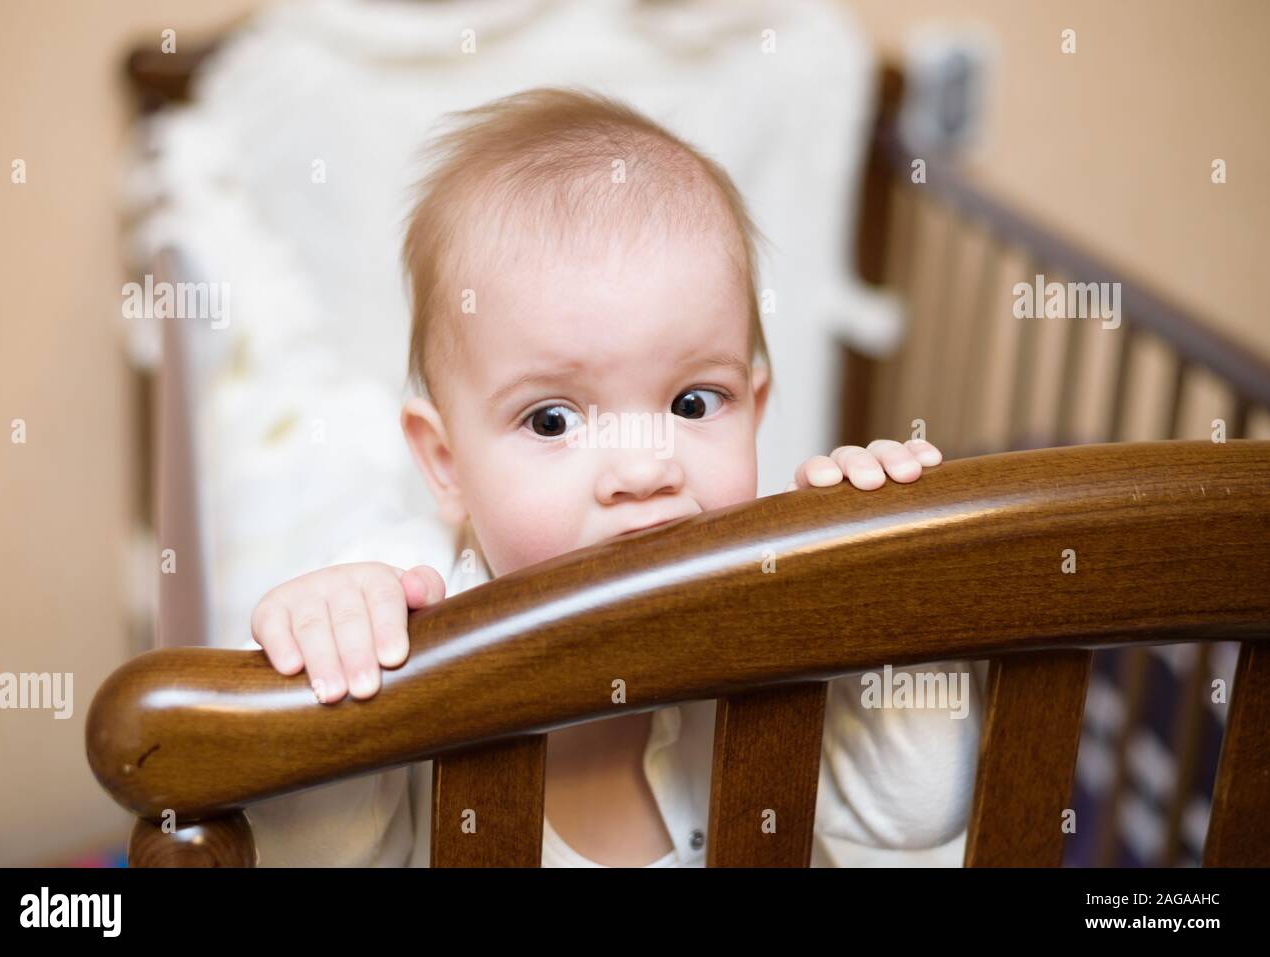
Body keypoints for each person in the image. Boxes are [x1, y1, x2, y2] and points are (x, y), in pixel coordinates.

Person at [243, 87, 977, 867]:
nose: (643, 468)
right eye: (552, 420)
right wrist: (330, 664)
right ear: (446, 461)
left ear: (755, 410)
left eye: (695, 402)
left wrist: (887, 599)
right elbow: (307, 853)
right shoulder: (416, 654)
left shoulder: (774, 621)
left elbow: (917, 806)